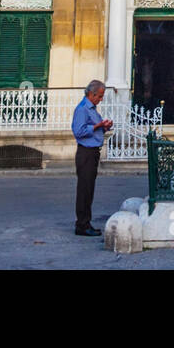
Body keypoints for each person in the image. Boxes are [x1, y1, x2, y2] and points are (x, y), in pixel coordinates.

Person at [71, 80, 113, 236]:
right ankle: (82, 224)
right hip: (86, 153)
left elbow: (94, 128)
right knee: (84, 190)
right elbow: (79, 131)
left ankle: (85, 222)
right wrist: (97, 126)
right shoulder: (82, 109)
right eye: (100, 96)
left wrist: (104, 126)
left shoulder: (92, 110)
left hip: (92, 152)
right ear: (92, 94)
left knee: (89, 190)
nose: (100, 99)